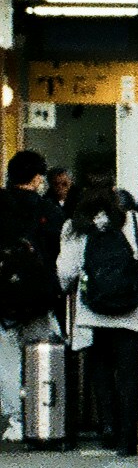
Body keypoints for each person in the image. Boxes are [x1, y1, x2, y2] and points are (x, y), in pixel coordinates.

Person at [57, 186, 138, 455]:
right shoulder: (133, 221)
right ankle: (129, 440)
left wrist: (71, 289)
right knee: (128, 375)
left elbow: (65, 271)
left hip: (93, 314)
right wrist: (133, 293)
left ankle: (108, 426)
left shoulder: (74, 226)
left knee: (100, 373)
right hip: (130, 316)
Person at [0, 151, 58, 442]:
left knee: (7, 363)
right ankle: (42, 415)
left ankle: (15, 421)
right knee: (40, 359)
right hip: (39, 298)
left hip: (3, 298)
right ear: (37, 178)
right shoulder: (49, 210)